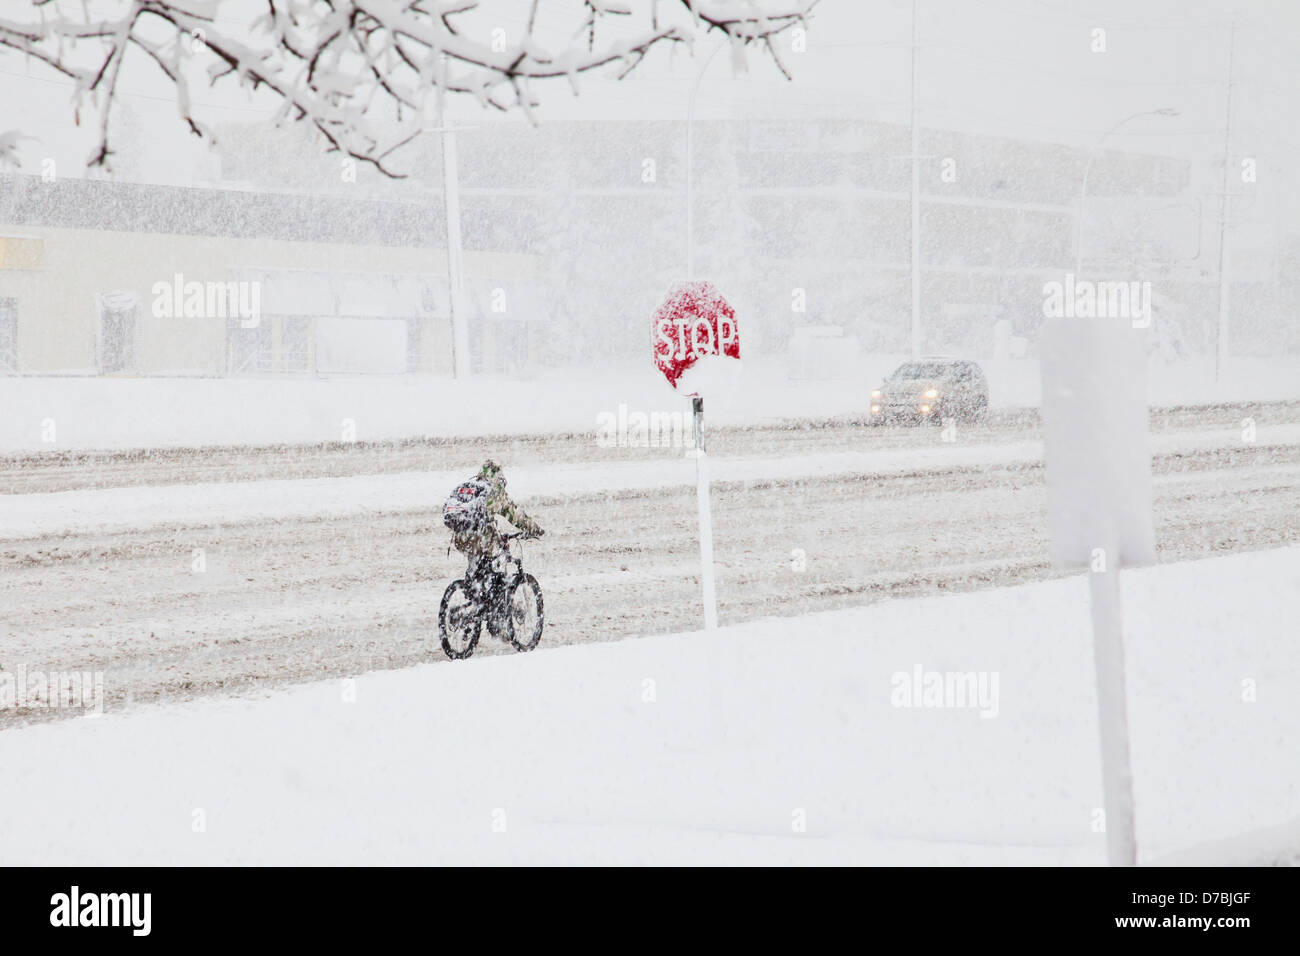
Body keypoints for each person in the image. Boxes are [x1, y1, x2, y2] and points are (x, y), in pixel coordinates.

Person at [447, 459, 543, 602]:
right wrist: (534, 529)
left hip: (461, 537)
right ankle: (494, 606)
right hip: (483, 539)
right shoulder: (495, 491)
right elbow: (514, 514)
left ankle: (473, 593)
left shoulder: (469, 487)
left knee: (477, 565)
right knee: (496, 562)